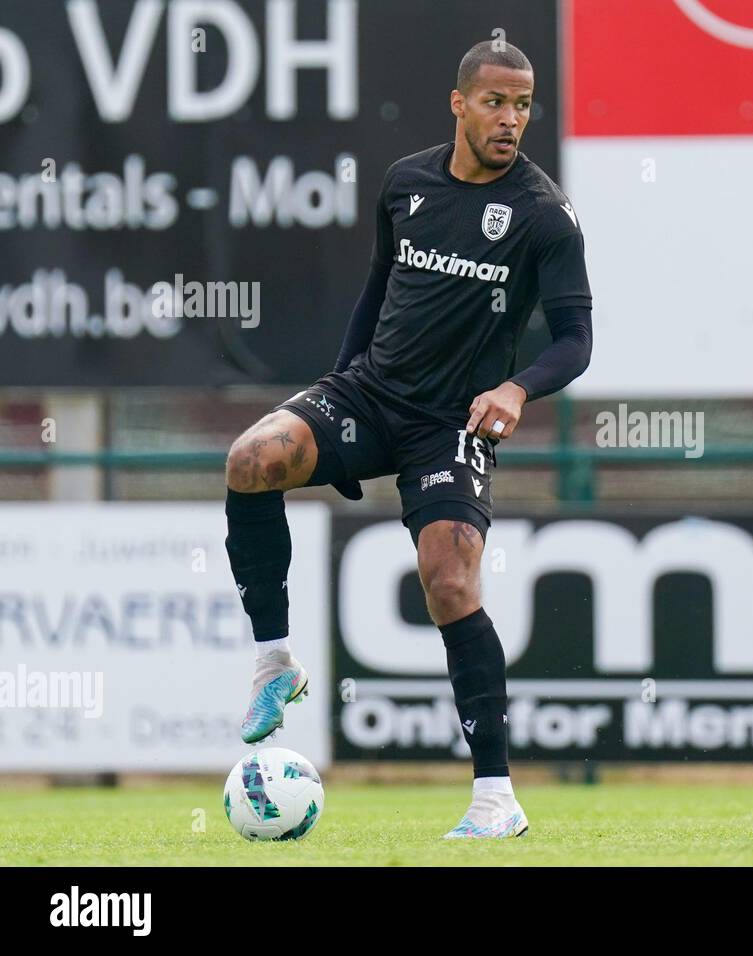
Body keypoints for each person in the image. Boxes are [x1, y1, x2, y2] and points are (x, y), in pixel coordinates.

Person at [222, 40, 592, 838]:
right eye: (496, 102)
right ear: (459, 103)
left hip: (451, 423)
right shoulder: (407, 183)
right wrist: (335, 385)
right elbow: (377, 290)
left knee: (449, 582)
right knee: (253, 458)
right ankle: (275, 666)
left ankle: (495, 799)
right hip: (370, 394)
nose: (512, 119)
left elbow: (575, 340)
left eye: (524, 105)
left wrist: (516, 386)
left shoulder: (543, 217)